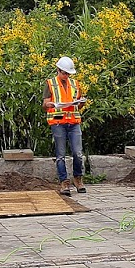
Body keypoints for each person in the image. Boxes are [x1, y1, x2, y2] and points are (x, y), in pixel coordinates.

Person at [43, 55, 88, 195]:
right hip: (58, 123)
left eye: (68, 73)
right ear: (58, 70)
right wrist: (51, 104)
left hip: (74, 122)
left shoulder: (75, 84)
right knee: (61, 154)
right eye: (64, 73)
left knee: (78, 153)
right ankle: (64, 182)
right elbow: (45, 104)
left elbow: (79, 105)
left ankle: (78, 179)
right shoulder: (50, 83)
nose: (66, 75)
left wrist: (81, 102)